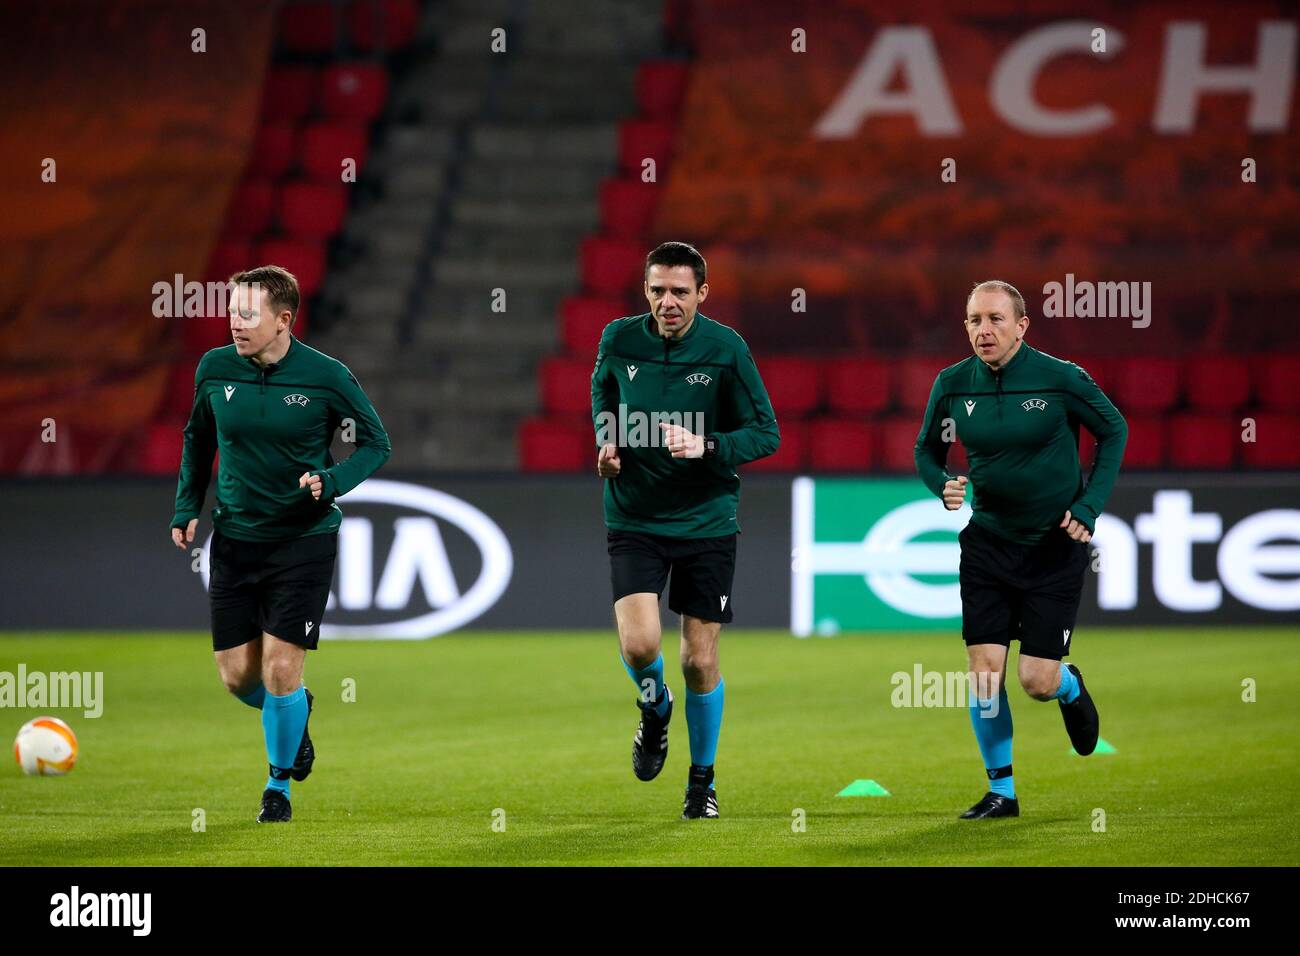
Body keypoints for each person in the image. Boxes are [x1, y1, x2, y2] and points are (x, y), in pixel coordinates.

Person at [170, 265, 391, 822]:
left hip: (303, 543)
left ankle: (278, 787)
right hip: (236, 541)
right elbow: (198, 439)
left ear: (283, 320)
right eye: (232, 312)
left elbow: (376, 442)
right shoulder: (215, 368)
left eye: (248, 314)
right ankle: (296, 712)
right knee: (237, 678)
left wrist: (333, 481)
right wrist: (185, 506)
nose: (236, 324)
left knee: (279, 670)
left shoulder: (326, 375)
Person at [914, 280, 1127, 819]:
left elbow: (1114, 430)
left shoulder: (1061, 379)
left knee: (1036, 681)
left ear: (1022, 324)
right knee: (985, 676)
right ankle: (1001, 792)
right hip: (987, 545)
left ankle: (1069, 687)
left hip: (1052, 548)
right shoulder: (953, 384)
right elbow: (926, 451)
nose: (982, 331)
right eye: (973, 321)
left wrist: (1089, 506)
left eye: (994, 320)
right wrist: (941, 482)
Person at [591, 241, 780, 819]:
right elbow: (604, 393)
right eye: (656, 290)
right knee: (640, 644)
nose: (666, 302)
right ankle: (654, 709)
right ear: (644, 290)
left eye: (679, 291)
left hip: (706, 521)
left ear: (702, 292)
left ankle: (702, 783)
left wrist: (711, 446)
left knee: (699, 661)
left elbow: (766, 433)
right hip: (635, 515)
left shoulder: (726, 350)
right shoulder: (619, 339)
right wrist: (607, 441)